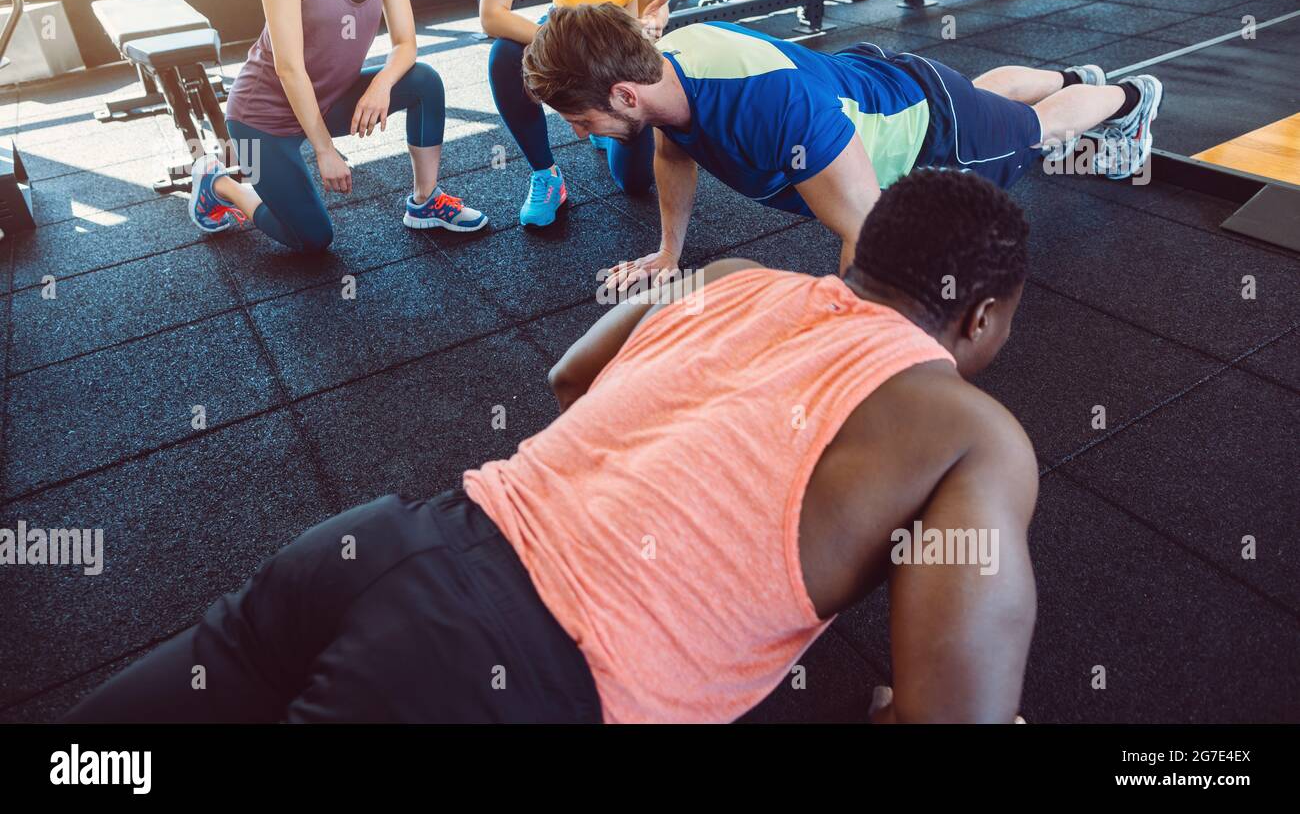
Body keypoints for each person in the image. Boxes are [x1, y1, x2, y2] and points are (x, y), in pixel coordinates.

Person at [67, 167, 1039, 724]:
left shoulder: (736, 274)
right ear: (983, 317)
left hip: (388, 547)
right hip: (498, 685)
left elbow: (571, 376)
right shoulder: (977, 437)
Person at [519, 4, 1163, 283]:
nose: (577, 133)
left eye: (579, 118)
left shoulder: (771, 109)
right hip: (891, 82)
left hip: (932, 136)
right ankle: (1077, 78)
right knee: (982, 93)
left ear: (626, 95)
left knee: (1037, 131)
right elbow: (673, 150)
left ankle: (1130, 99)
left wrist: (843, 349)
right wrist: (667, 253)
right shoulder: (666, 68)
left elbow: (869, 228)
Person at [189, 0, 486, 252]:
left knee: (423, 82)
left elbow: (405, 44)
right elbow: (289, 66)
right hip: (259, 120)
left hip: (328, 100)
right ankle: (219, 183)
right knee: (312, 239)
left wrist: (381, 85)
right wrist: (325, 149)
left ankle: (425, 200)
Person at [479, 0, 670, 227]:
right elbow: (491, 14)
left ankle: (599, 121)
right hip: (568, 35)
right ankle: (546, 175)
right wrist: (567, 44)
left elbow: (651, 5)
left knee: (636, 183)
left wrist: (653, 21)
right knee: (505, 55)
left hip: (620, 51)